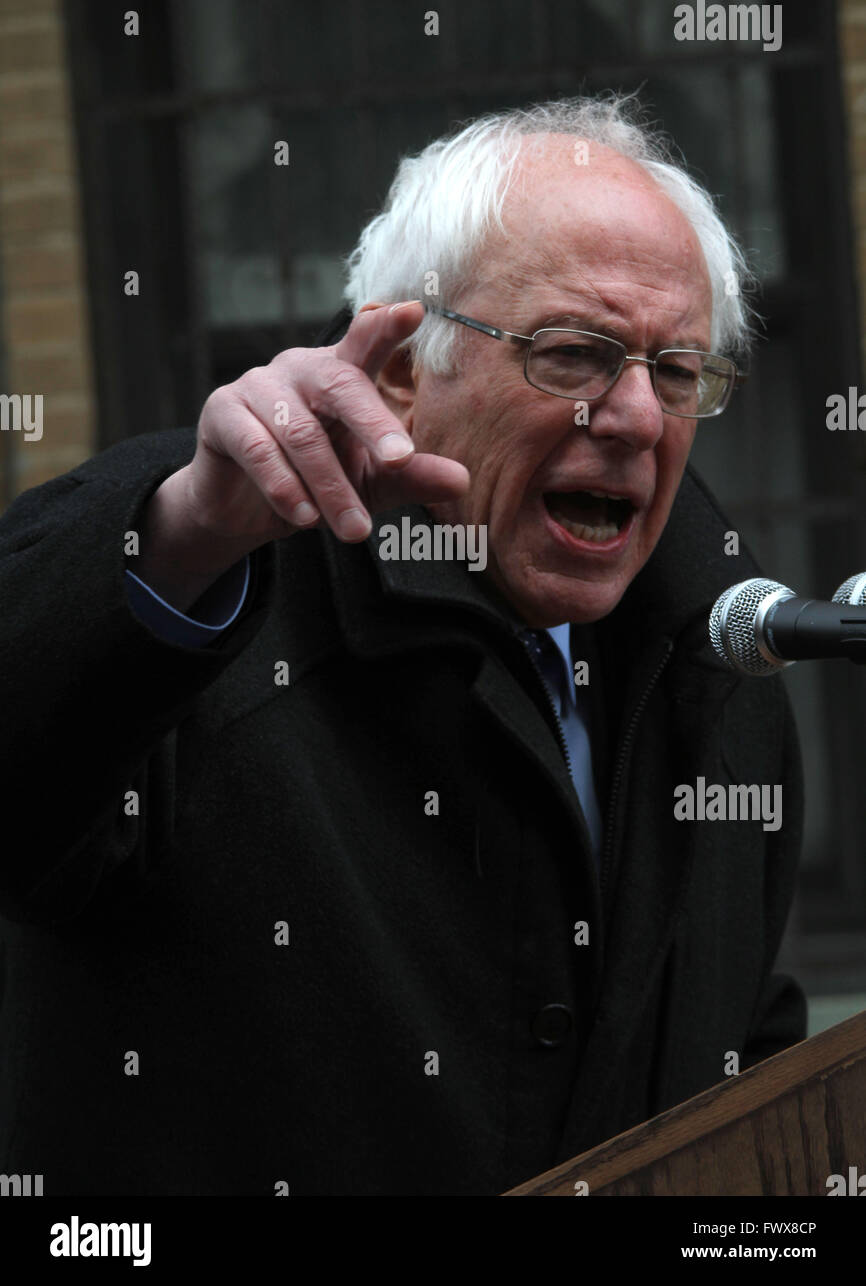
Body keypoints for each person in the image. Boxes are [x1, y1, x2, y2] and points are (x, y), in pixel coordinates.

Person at [0, 94, 805, 1197]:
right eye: (573, 353)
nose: (635, 416)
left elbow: (734, 1044)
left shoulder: (722, 668)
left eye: (676, 371)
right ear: (398, 368)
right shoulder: (215, 586)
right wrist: (178, 536)